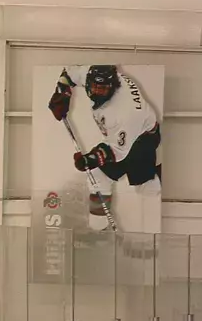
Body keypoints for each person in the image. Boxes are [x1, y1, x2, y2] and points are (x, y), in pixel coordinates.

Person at [48, 65, 161, 230]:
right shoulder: (91, 75)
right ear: (89, 82)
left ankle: (166, 174)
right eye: (95, 87)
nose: (98, 92)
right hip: (125, 134)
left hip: (141, 140)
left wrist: (90, 159)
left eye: (103, 89)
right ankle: (98, 229)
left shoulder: (125, 112)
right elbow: (68, 74)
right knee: (97, 176)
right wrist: (62, 94)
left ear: (113, 86)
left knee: (147, 188)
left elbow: (117, 152)